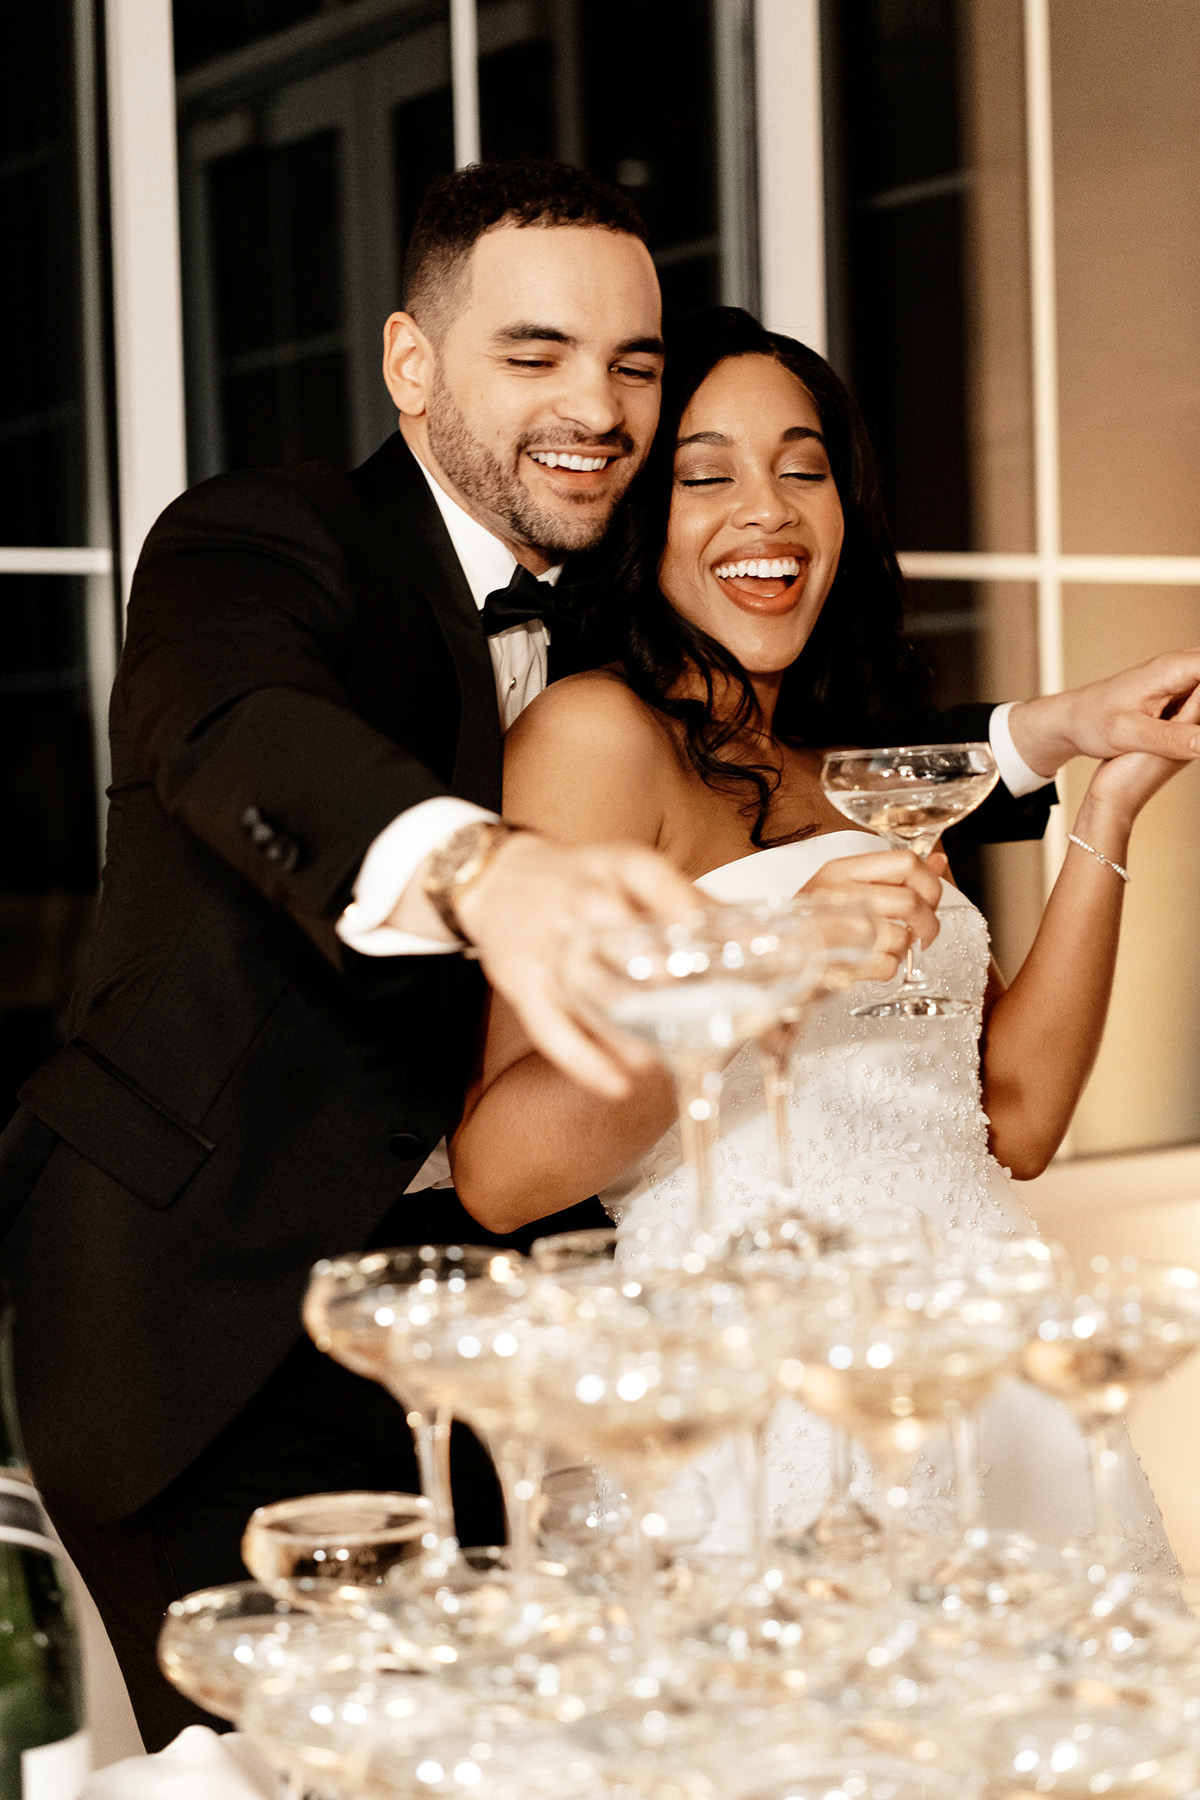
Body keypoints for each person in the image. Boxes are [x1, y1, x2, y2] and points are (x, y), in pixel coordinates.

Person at [0, 166, 1194, 1744]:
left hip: (482, 1330)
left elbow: (798, 789)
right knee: (319, 1766)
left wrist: (1043, 745)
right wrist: (486, 875)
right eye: (536, 353)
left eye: (632, 364)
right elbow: (240, 732)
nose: (598, 404)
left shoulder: (600, 637)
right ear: (413, 364)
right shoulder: (273, 539)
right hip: (217, 1297)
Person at [450, 306, 1195, 1561]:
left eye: (805, 469)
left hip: (998, 1372)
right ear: (638, 514)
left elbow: (1009, 1119)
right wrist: (764, 966)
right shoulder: (592, 737)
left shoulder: (864, 770)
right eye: (706, 475)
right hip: (772, 1396)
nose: (771, 510)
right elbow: (503, 1166)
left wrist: (1103, 815)